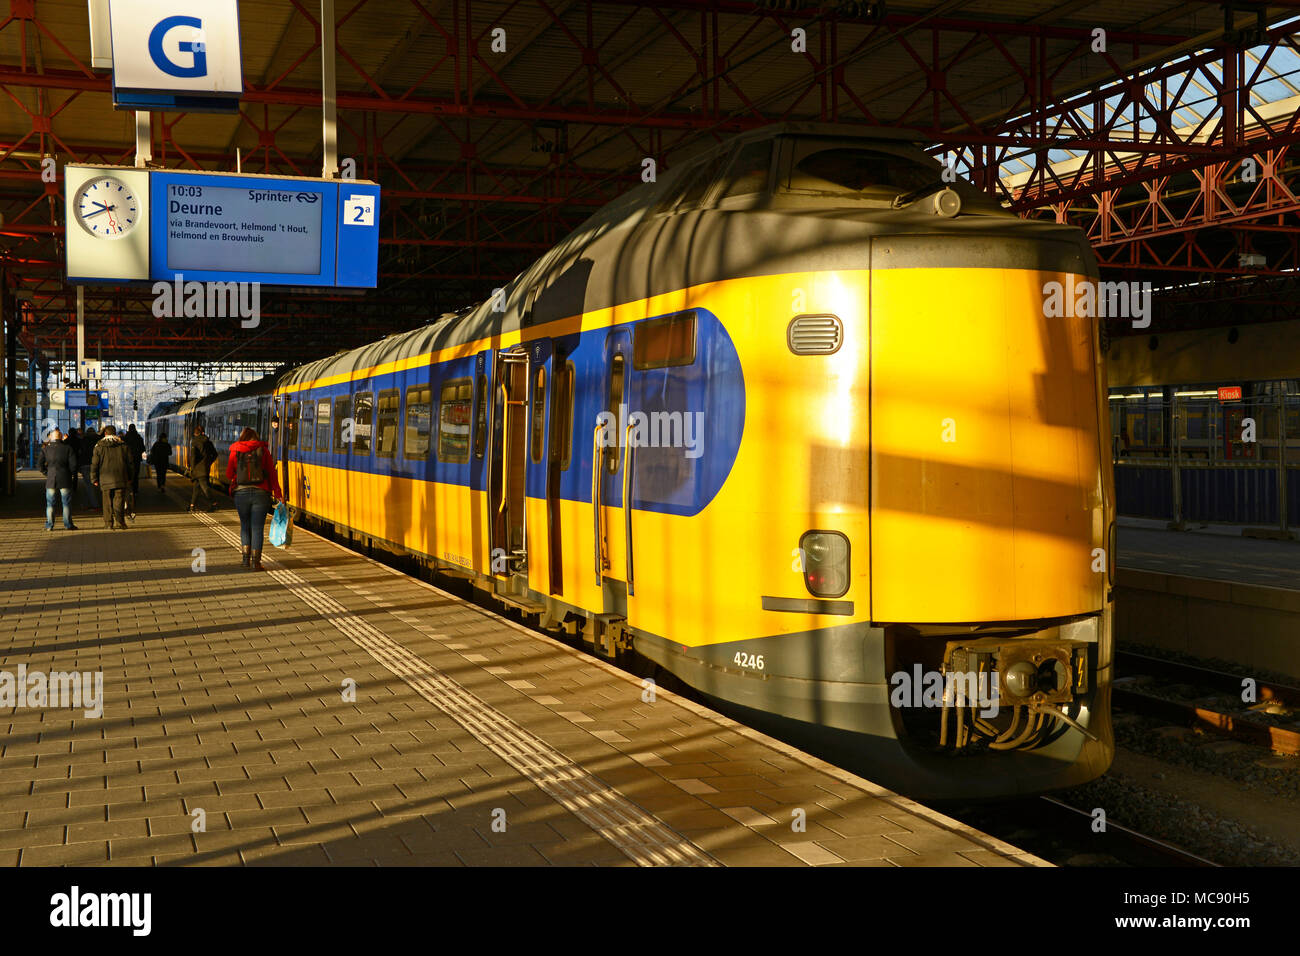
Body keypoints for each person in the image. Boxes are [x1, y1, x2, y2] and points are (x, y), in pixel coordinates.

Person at [227, 427, 283, 571]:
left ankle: (245, 560)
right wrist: (278, 494)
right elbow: (272, 474)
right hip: (261, 494)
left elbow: (228, 474)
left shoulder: (235, 451)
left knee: (245, 526)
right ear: (256, 437)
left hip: (241, 494)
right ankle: (256, 563)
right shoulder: (264, 451)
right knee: (257, 528)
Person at [90, 425, 134, 530]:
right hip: (121, 477)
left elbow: (94, 464)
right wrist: (130, 477)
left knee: (106, 501)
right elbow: (130, 463)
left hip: (105, 478)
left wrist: (94, 478)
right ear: (115, 433)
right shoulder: (123, 445)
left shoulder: (99, 446)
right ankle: (120, 522)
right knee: (119, 500)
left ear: (105, 434)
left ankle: (108, 524)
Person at [39, 429, 78, 531]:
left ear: (51, 437)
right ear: (61, 437)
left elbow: (39, 464)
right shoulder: (68, 448)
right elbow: (74, 465)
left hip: (51, 478)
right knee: (66, 503)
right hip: (65, 478)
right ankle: (68, 524)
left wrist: (46, 473)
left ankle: (49, 525)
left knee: (50, 503)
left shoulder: (45, 449)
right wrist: (70, 473)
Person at [188, 424, 219, 512]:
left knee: (205, 487)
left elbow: (193, 457)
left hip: (198, 468)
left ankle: (214, 503)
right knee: (196, 487)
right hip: (205, 467)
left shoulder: (194, 442)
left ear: (195, 433)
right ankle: (192, 505)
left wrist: (192, 468)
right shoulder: (208, 442)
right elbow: (215, 454)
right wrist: (209, 462)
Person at [124, 424, 146, 508]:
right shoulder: (139, 438)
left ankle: (129, 489)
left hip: (127, 460)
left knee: (127, 474)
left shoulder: (125, 438)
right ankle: (135, 489)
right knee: (136, 474)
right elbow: (143, 449)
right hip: (136, 459)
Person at [78, 426, 99, 510]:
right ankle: (92, 503)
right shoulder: (98, 441)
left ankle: (93, 504)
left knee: (88, 485)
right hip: (95, 464)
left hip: (85, 464)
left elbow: (80, 452)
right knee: (94, 485)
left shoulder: (83, 441)